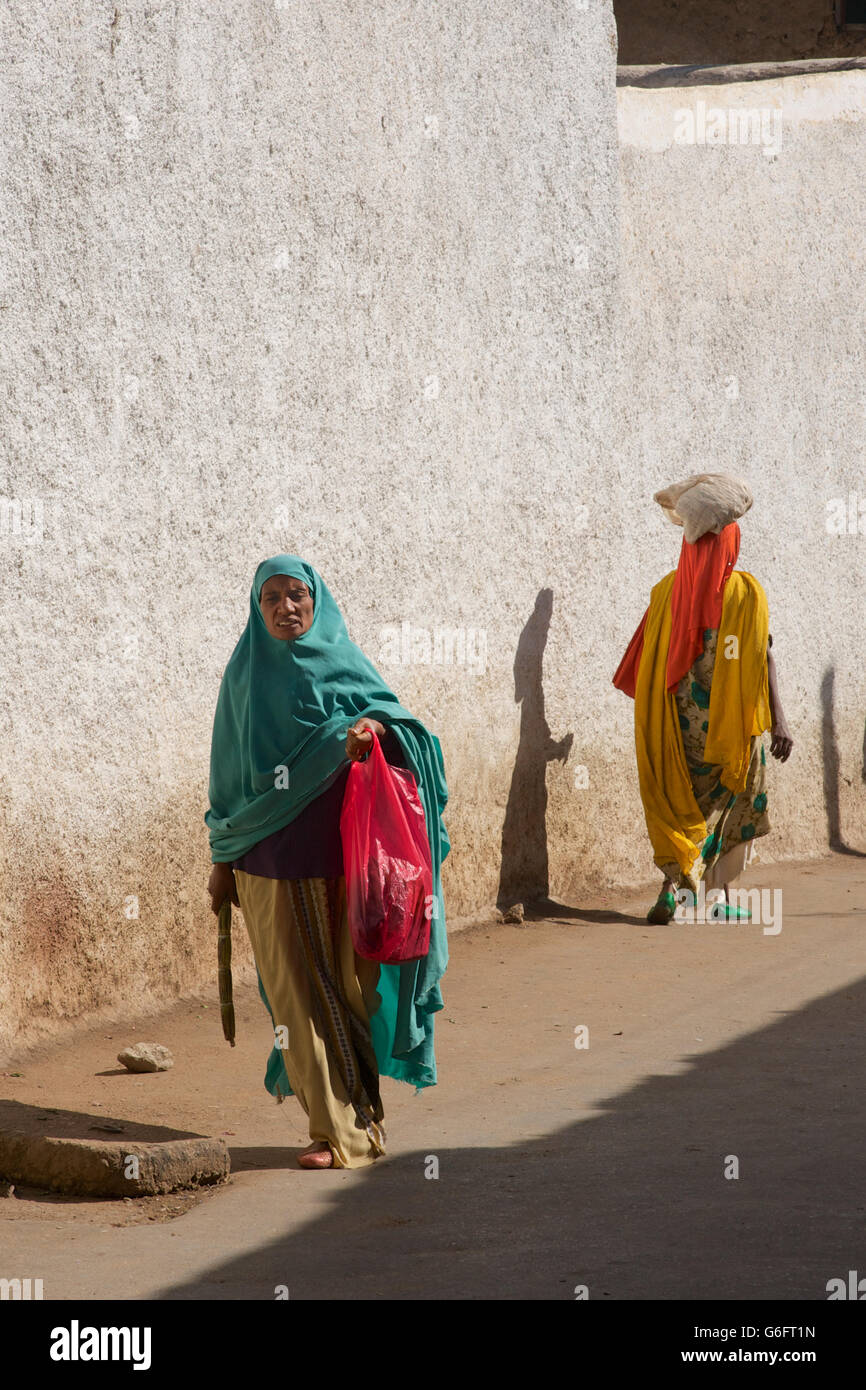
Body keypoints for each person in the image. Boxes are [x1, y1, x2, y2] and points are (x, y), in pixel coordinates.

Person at [205, 555, 449, 1169]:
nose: (286, 608)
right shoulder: (243, 680)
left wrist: (374, 728)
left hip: (345, 863)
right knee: (292, 998)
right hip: (265, 863)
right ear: (257, 610)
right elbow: (227, 783)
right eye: (272, 599)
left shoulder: (347, 666)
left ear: (317, 602)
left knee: (348, 990)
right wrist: (220, 860)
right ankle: (334, 1130)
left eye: (297, 596)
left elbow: (409, 731)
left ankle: (360, 1115)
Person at [612, 474, 793, 924]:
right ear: (730, 545)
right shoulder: (746, 595)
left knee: (682, 808)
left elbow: (643, 661)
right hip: (727, 733)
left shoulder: (665, 593)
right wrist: (780, 720)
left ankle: (671, 892)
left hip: (676, 734)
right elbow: (761, 658)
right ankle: (711, 899)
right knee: (729, 800)